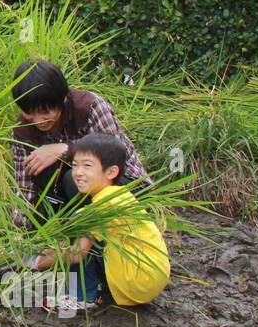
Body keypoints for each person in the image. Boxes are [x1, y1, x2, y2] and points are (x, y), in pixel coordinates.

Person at [30, 133, 170, 312]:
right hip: (151, 280)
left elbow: (76, 254)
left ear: (111, 171)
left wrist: (34, 263)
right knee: (83, 228)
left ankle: (81, 297)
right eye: (74, 165)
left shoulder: (99, 209)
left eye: (87, 166)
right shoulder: (120, 196)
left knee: (78, 222)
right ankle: (96, 286)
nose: (78, 173)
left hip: (136, 285)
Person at [10, 60, 149, 227]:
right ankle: (68, 232)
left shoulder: (89, 106)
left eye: (45, 112)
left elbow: (114, 155)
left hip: (125, 185)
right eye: (29, 112)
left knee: (76, 177)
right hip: (74, 196)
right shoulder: (23, 130)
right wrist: (19, 233)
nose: (38, 121)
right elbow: (24, 186)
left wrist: (66, 149)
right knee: (38, 168)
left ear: (61, 99)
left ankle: (97, 241)